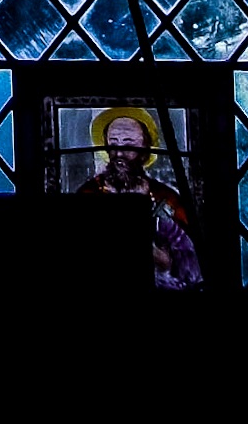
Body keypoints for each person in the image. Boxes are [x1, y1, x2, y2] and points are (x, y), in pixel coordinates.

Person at [76, 114, 202, 291]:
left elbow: (194, 267)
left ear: (144, 149)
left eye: (129, 144)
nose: (119, 153)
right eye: (113, 143)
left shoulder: (165, 197)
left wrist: (166, 264)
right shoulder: (89, 193)